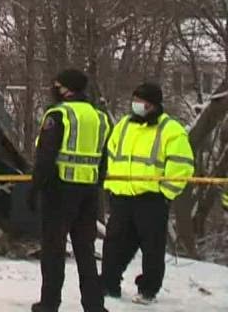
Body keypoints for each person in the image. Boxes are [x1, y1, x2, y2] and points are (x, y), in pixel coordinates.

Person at [100, 82, 195, 305]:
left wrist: (165, 194)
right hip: (122, 196)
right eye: (135, 100)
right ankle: (108, 283)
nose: (136, 104)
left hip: (151, 198)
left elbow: (182, 165)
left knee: (152, 247)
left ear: (153, 104)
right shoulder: (124, 125)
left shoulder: (171, 130)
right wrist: (111, 186)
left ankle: (148, 289)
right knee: (114, 243)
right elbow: (111, 155)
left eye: (141, 101)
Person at [30, 68, 111, 312]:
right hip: (88, 193)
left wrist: (35, 187)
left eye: (57, 85)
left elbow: (46, 156)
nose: (54, 88)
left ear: (66, 89)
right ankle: (94, 305)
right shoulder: (100, 117)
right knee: (86, 252)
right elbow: (103, 159)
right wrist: (96, 187)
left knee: (53, 250)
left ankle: (49, 303)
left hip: (59, 191)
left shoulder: (59, 114)